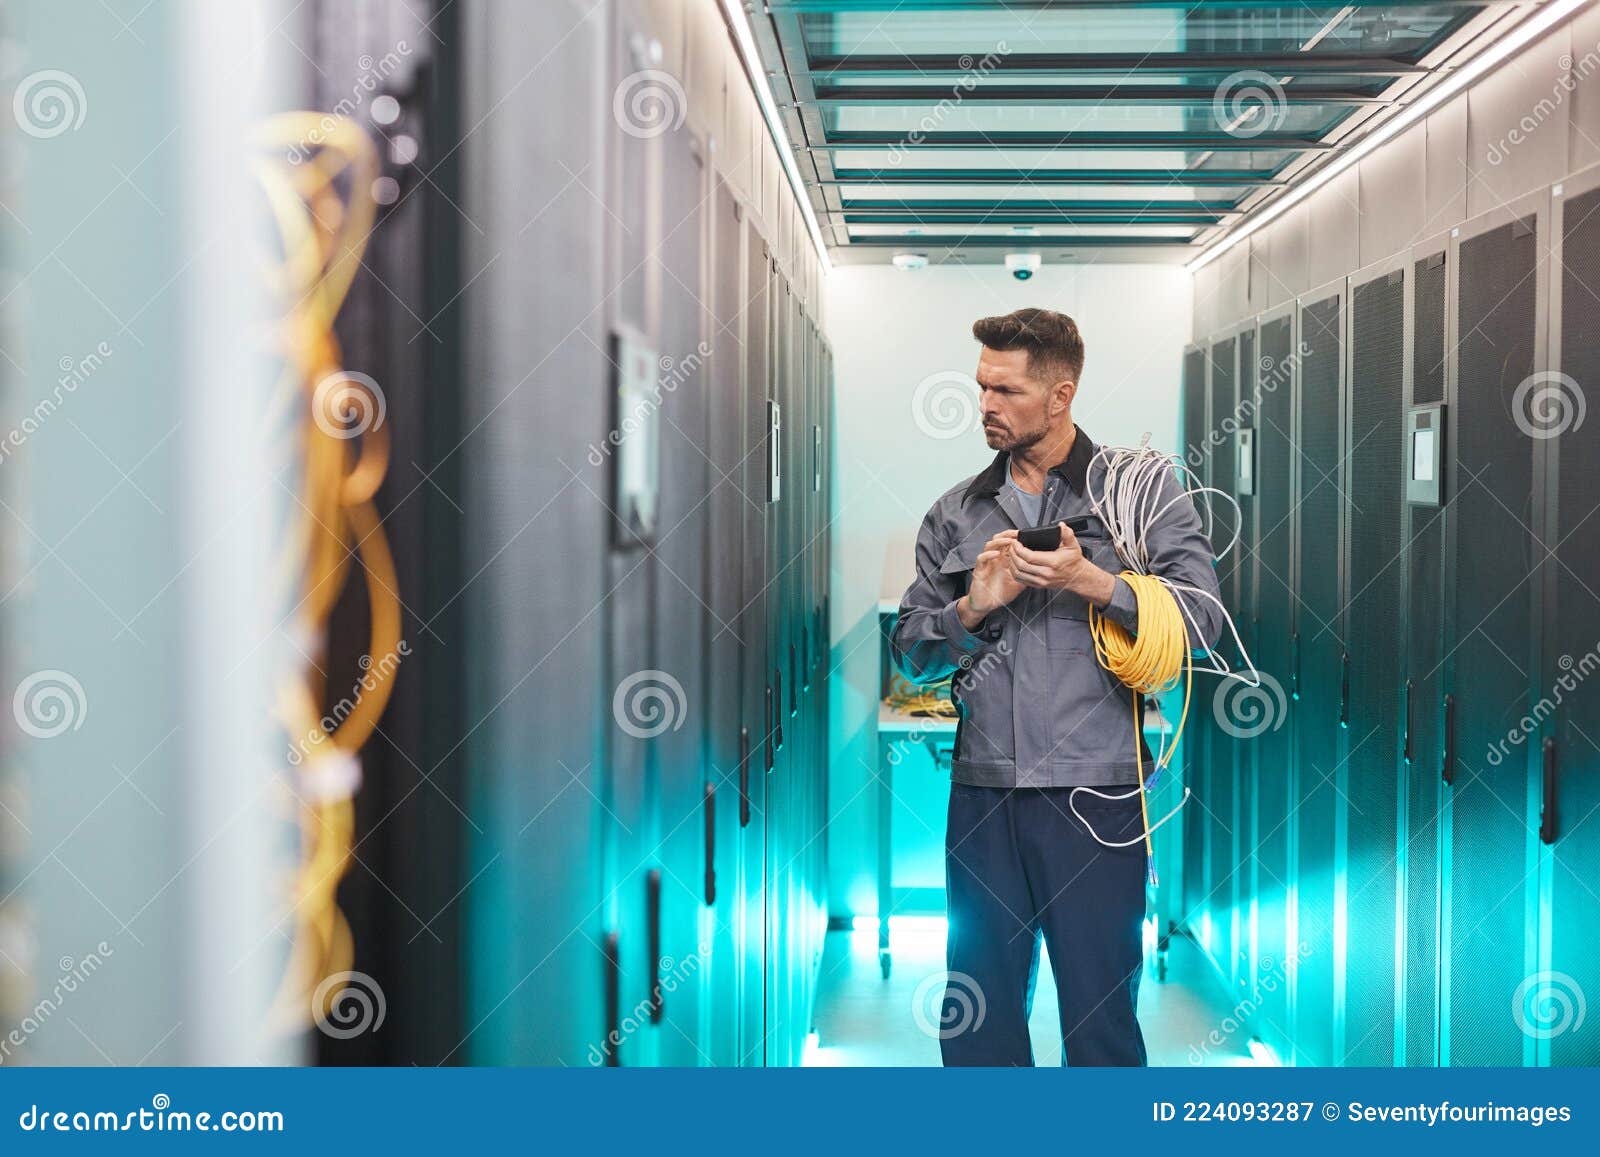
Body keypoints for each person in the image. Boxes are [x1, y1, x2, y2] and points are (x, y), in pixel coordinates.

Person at [890, 308, 1223, 1066]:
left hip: (1097, 799)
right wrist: (973, 605)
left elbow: (1202, 620)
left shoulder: (1139, 496)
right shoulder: (957, 513)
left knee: (1101, 1027)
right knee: (977, 1026)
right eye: (981, 387)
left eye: (1004, 390)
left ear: (1061, 394)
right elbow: (910, 654)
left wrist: (1095, 582)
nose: (984, 405)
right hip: (986, 800)